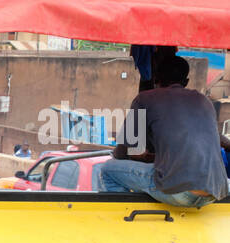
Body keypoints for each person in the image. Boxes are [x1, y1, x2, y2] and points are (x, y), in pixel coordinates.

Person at [97, 56, 228, 209]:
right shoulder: (203, 101)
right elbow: (218, 139)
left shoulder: (145, 99)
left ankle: (125, 224)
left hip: (180, 192)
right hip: (215, 191)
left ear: (156, 79)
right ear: (186, 82)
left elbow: (125, 152)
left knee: (108, 170)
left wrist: (131, 157)